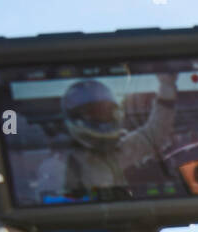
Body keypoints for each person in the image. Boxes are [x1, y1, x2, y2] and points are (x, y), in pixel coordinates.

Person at [31, 74, 177, 203]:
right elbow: (51, 211)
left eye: (107, 111)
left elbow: (155, 133)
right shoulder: (58, 165)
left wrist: (167, 86)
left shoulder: (117, 151)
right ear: (77, 117)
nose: (103, 119)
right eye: (95, 113)